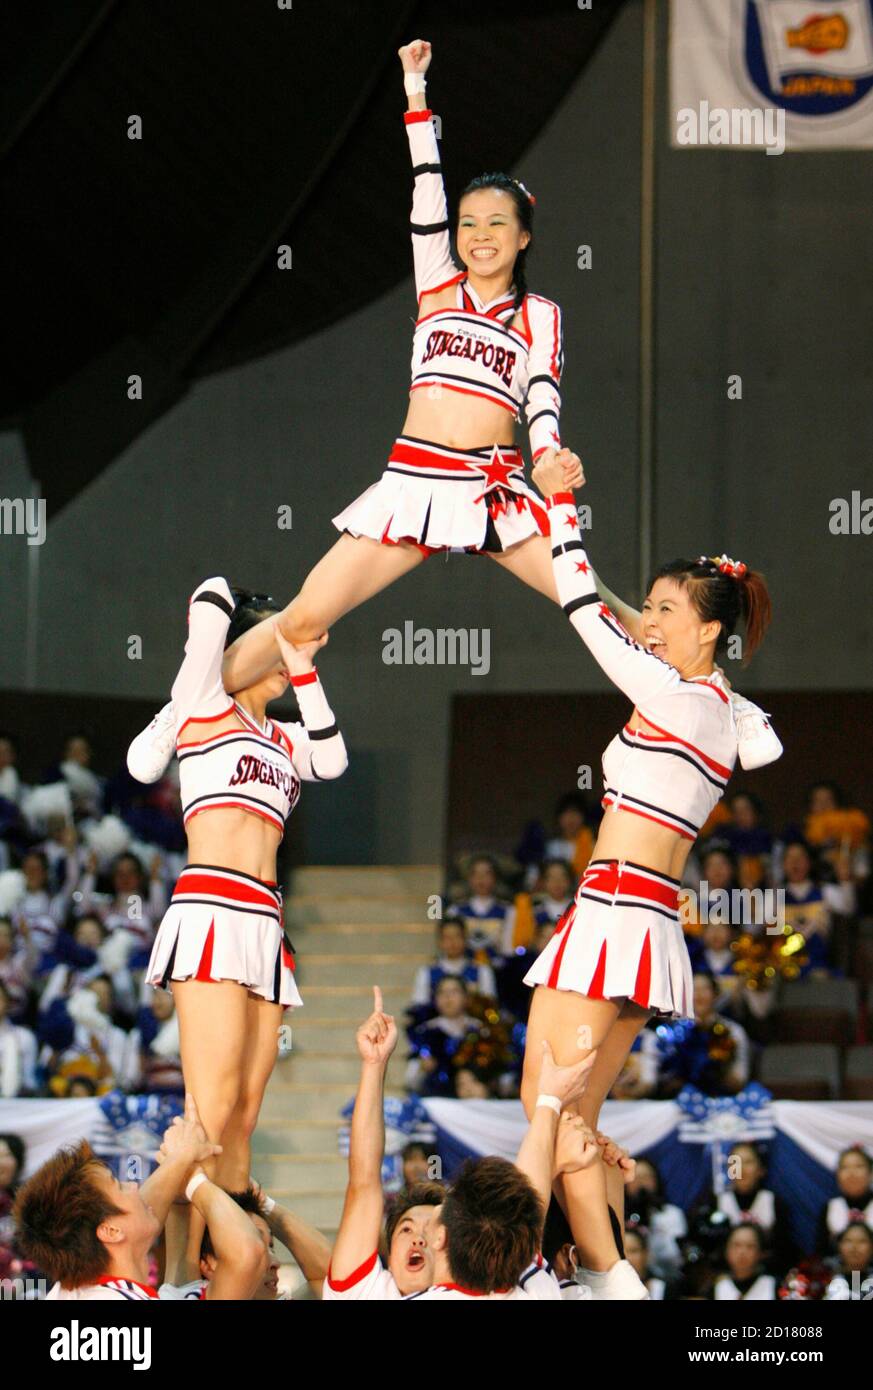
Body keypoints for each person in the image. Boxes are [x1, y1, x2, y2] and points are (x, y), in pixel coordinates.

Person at [209, 37, 585, 711]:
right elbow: (426, 187)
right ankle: (186, 704)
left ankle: (714, 704)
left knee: (596, 611)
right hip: (411, 482)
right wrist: (415, 92)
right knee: (301, 620)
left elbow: (542, 396)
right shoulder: (435, 281)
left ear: (524, 236)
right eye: (468, 222)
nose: (477, 233)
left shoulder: (540, 315)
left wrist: (550, 455)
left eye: (496, 222)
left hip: (493, 487)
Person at [520, 451, 779, 1299]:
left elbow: (587, 612)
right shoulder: (718, 708)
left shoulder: (675, 697)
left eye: (668, 609)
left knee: (549, 1115)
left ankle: (608, 1281)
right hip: (645, 922)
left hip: (611, 913)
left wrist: (558, 507)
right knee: (573, 1121)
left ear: (706, 630)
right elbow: (634, 628)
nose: (652, 619)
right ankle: (588, 1277)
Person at [139, 579, 347, 1208]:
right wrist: (264, 616)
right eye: (274, 653)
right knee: (209, 1109)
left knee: (245, 1116)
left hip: (265, 921)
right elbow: (206, 599)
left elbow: (333, 760)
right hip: (211, 911)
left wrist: (305, 670)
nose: (280, 666)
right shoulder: (203, 705)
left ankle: (224, 1266)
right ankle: (177, 1274)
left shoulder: (285, 740)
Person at [13, 1098, 265, 1300]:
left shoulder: (74, 1287)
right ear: (110, 1231)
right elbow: (249, 1253)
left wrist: (181, 1159)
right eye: (120, 1186)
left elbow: (138, 1211)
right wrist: (196, 1180)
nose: (134, 1186)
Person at [410, 916, 496, 1013]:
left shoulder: (482, 970)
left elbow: (489, 1008)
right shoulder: (426, 973)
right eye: (447, 937)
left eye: (457, 936)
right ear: (439, 941)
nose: (452, 942)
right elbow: (419, 1008)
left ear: (465, 939)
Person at [816, 1145, 873, 1254]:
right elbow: (820, 1253)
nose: (851, 1173)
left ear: (871, 1173)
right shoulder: (831, 1207)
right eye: (845, 1167)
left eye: (859, 1166)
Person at [711, 1223, 776, 1300]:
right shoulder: (718, 1287)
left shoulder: (773, 1285)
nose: (742, 1252)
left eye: (750, 1246)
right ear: (726, 1250)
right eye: (736, 1245)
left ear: (761, 1252)